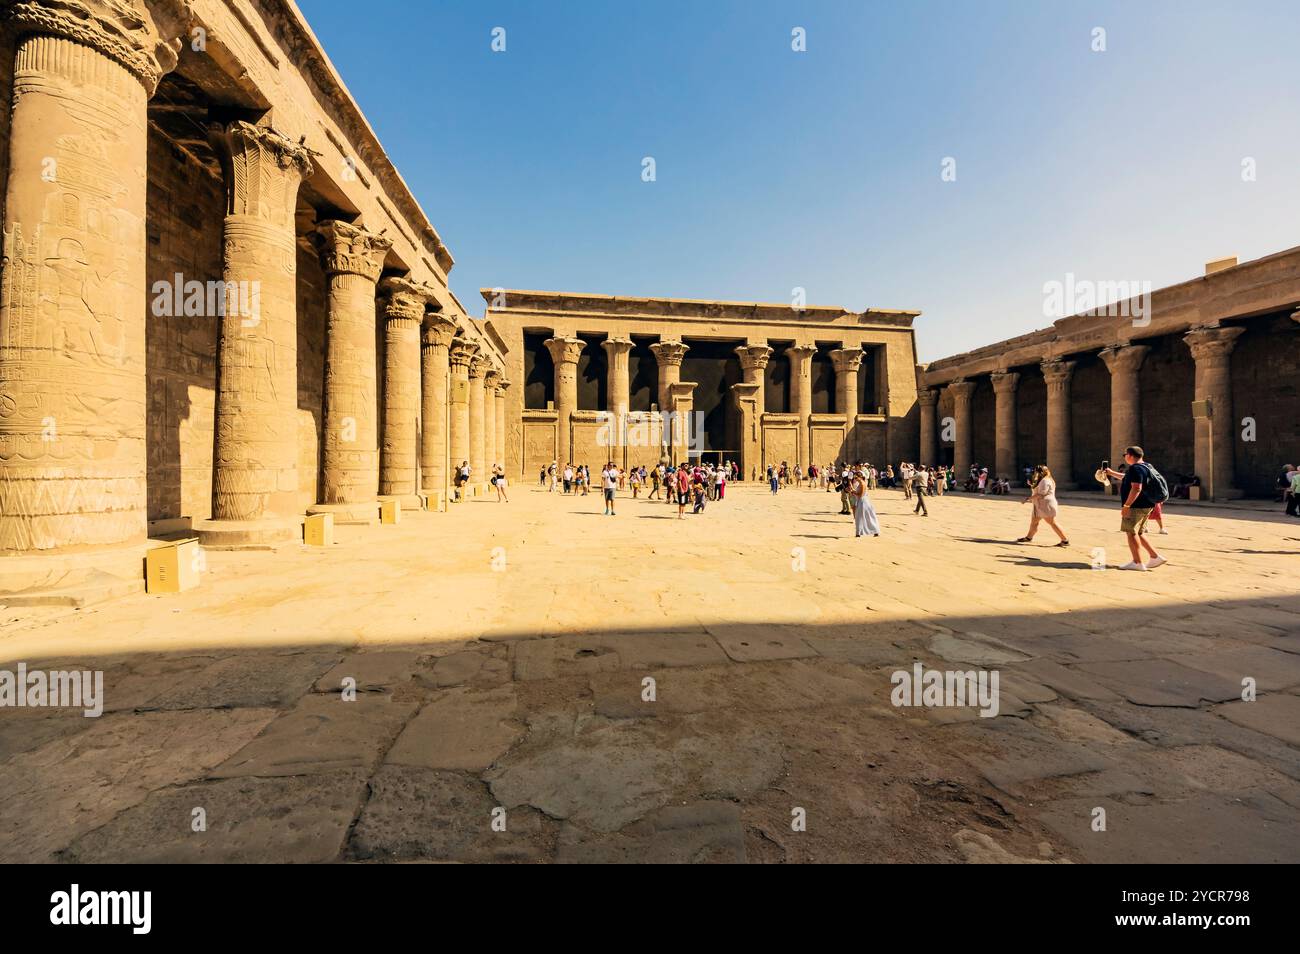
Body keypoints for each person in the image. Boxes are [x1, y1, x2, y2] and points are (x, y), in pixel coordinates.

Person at [1103, 446, 1168, 570]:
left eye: (1125, 455)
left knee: (1131, 532)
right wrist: (1111, 473)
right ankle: (1155, 557)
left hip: (1136, 506)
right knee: (1139, 532)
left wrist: (1127, 505)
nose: (1125, 457)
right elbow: (1127, 478)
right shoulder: (1146, 466)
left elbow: (1136, 488)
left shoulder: (1135, 468)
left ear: (1130, 455)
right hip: (1148, 504)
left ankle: (1137, 562)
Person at [1017, 465, 1068, 545]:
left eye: (1037, 472)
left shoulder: (1045, 480)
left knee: (1052, 522)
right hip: (1039, 505)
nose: (1036, 473)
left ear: (1042, 472)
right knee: (1034, 522)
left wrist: (1028, 499)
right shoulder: (1044, 479)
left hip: (1045, 505)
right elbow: (1038, 490)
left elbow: (1041, 494)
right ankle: (1029, 537)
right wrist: (1031, 485)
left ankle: (1065, 540)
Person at [849, 466, 880, 537]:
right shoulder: (861, 483)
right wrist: (853, 491)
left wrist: (853, 492)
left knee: (862, 516)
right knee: (865, 516)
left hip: (863, 502)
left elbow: (860, 495)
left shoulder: (862, 484)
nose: (855, 479)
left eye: (856, 477)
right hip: (862, 501)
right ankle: (860, 532)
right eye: (854, 478)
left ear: (860, 477)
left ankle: (860, 533)